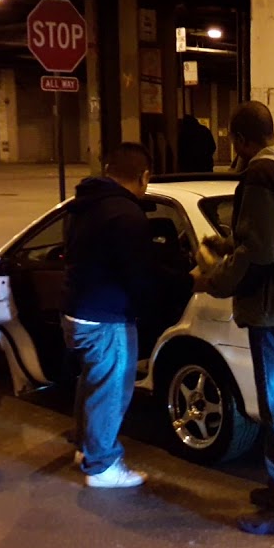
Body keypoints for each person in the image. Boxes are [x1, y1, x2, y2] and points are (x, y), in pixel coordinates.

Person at [195, 101, 274, 535]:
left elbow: (262, 252)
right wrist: (232, 241)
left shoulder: (262, 174)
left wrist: (214, 278)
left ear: (239, 138)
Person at [61, 142, 192, 488]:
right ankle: (101, 466)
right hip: (107, 319)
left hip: (77, 312)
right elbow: (141, 275)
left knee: (92, 383)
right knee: (111, 389)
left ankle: (86, 448)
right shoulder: (127, 214)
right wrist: (184, 283)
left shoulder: (84, 205)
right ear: (144, 175)